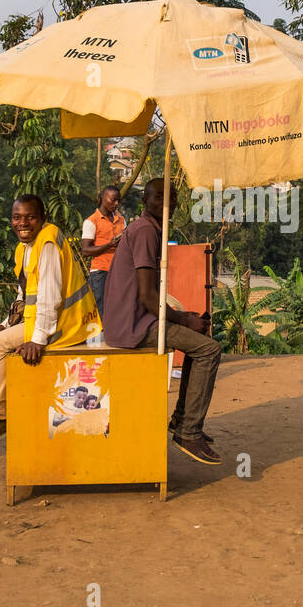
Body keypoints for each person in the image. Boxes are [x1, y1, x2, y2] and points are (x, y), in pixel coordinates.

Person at [0, 194, 99, 447]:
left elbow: (50, 297)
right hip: (52, 320)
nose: (23, 223)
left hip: (68, 325)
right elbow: (26, 295)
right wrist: (5, 323)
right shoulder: (24, 249)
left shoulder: (48, 243)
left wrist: (37, 340)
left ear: (42, 219)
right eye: (17, 218)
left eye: (30, 217)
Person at [102, 177, 223, 465]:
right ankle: (188, 432)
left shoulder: (151, 230)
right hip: (133, 324)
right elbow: (146, 297)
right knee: (209, 350)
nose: (166, 204)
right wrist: (182, 318)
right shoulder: (145, 231)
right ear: (145, 201)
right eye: (159, 197)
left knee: (200, 341)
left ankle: (182, 421)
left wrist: (185, 319)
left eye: (171, 198)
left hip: (136, 318)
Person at [80, 185, 126, 315]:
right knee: (101, 311)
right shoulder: (91, 222)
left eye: (118, 200)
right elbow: (86, 250)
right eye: (113, 200)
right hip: (100, 272)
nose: (116, 203)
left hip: (118, 271)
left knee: (118, 311)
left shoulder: (121, 220)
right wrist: (109, 244)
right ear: (102, 199)